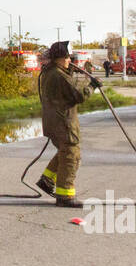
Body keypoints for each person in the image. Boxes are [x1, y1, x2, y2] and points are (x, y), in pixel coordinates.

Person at [36, 41, 94, 207]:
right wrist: (91, 86)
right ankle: (65, 195)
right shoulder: (59, 75)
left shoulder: (51, 72)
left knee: (64, 151)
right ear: (59, 58)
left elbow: (64, 89)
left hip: (53, 122)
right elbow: (78, 95)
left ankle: (47, 180)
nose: (70, 59)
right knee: (71, 155)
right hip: (63, 122)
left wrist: (70, 70)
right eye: (67, 57)